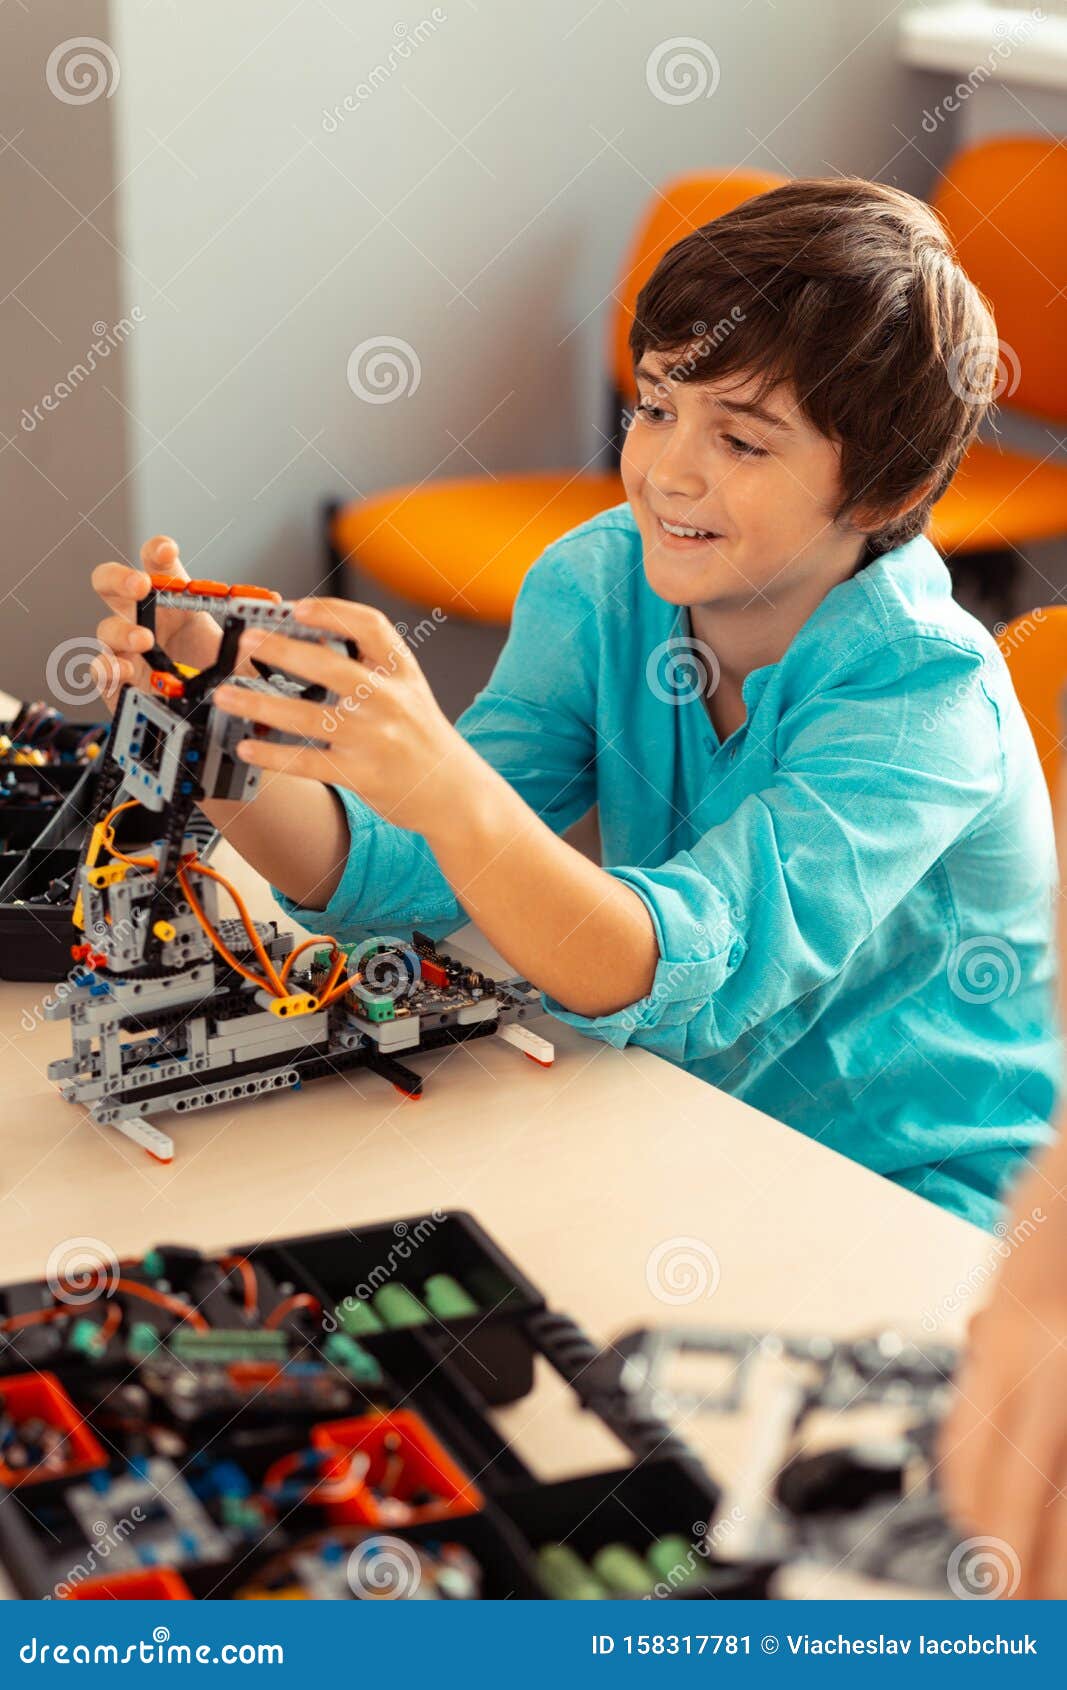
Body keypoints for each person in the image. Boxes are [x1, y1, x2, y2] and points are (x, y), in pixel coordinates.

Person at [89, 176, 1059, 1228]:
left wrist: (443, 784)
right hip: (678, 1120)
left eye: (739, 440)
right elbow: (399, 868)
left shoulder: (923, 692)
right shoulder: (601, 579)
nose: (663, 473)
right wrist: (217, 725)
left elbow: (686, 964)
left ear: (882, 490)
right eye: (654, 407)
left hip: (913, 1207)